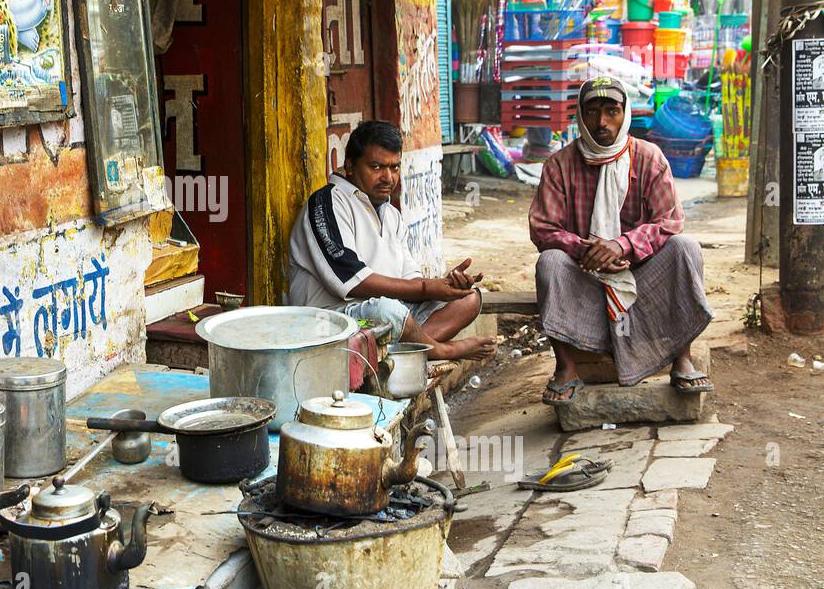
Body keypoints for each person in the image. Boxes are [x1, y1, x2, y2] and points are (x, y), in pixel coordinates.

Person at [529, 76, 714, 404]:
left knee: (686, 248)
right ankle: (566, 368)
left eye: (611, 111)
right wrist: (588, 250)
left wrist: (622, 245)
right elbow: (544, 229)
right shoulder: (559, 165)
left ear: (625, 112)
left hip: (641, 273)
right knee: (550, 261)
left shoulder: (649, 158)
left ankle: (681, 358)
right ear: (580, 116)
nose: (602, 122)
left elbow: (669, 221)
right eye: (593, 111)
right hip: (584, 275)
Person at [287, 120, 496, 361]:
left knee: (468, 299)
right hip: (335, 321)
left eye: (394, 167)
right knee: (388, 312)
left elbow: (410, 280)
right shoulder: (328, 203)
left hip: (383, 319)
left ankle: (400, 353)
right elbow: (352, 282)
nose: (388, 177)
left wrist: (446, 286)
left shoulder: (391, 215)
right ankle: (442, 350)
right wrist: (428, 288)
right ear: (351, 166)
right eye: (376, 167)